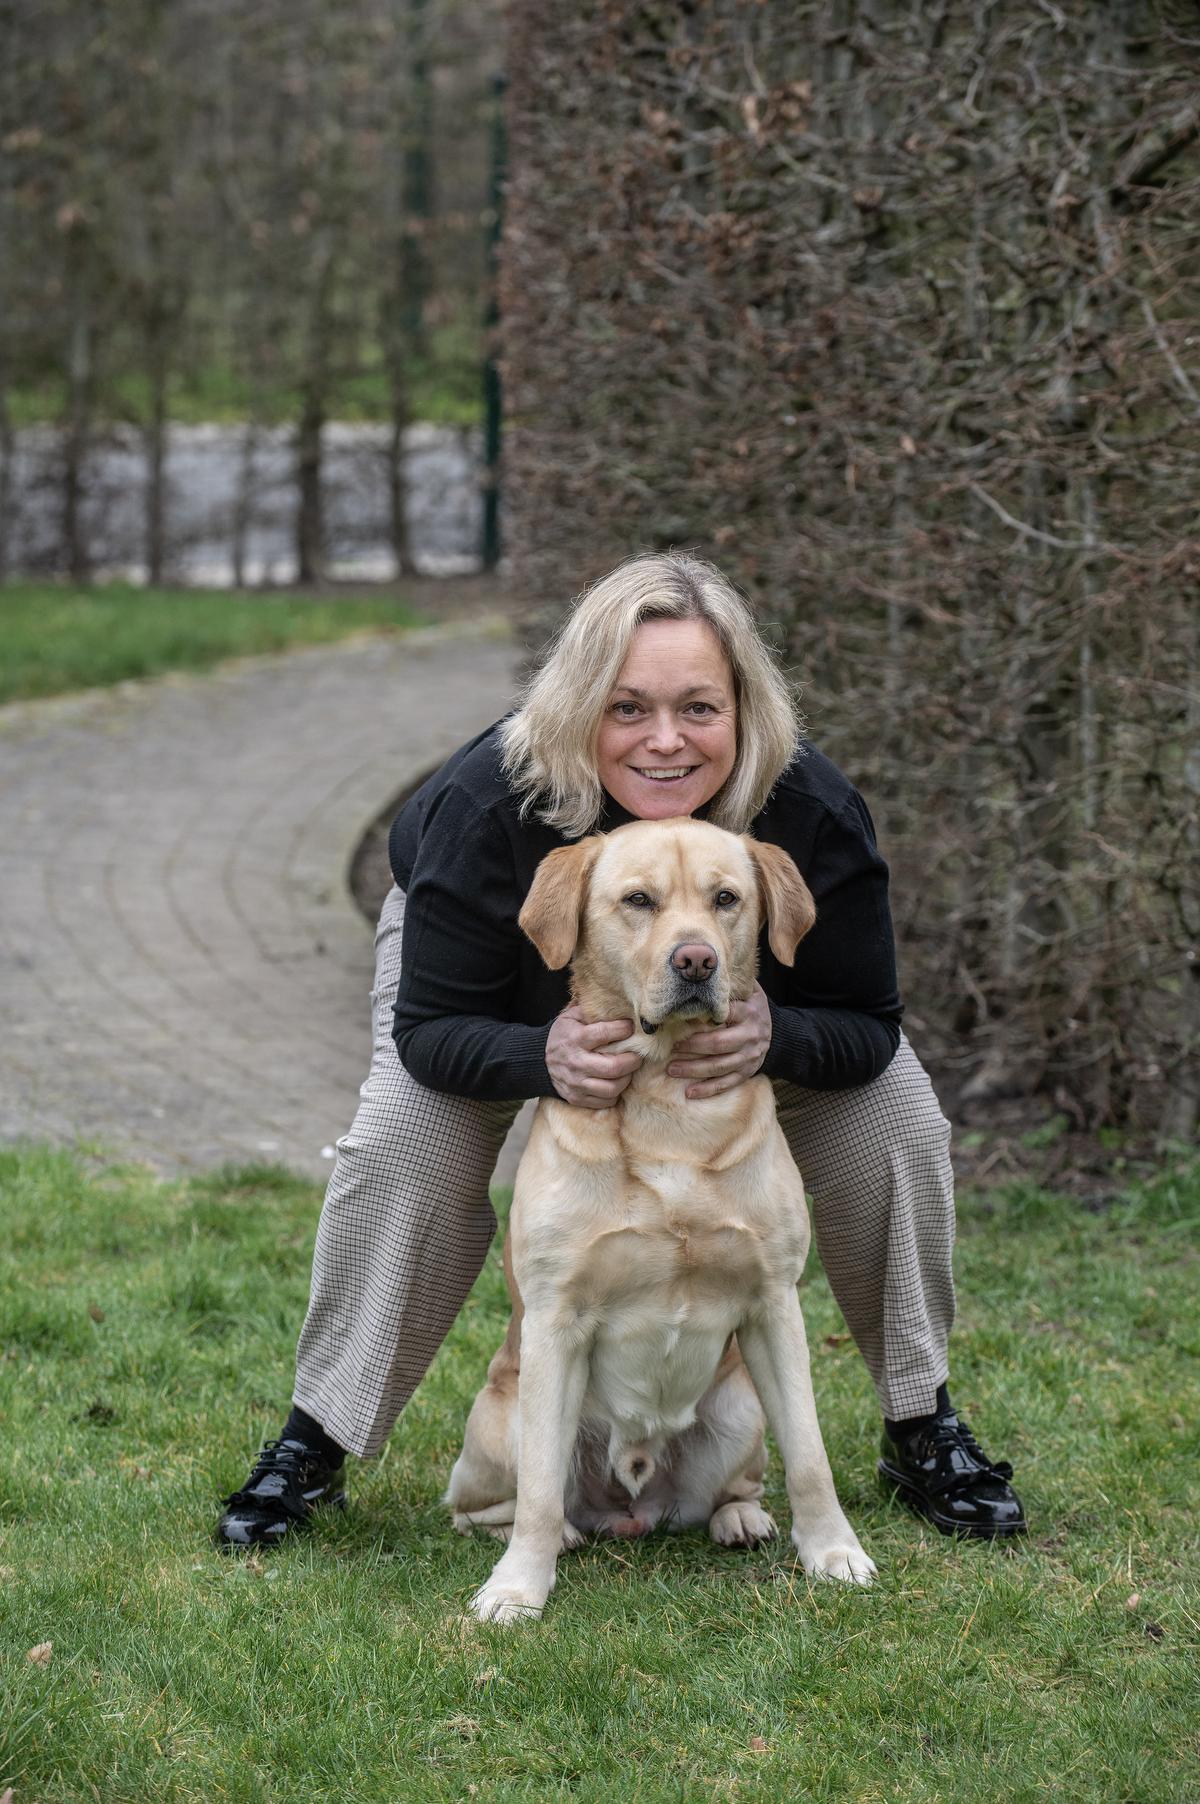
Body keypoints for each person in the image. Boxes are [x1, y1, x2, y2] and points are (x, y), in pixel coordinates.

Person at [216, 552, 1025, 1550]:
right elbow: (429, 1030)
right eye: (628, 707)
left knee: (896, 1118)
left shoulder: (809, 810)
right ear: (578, 706)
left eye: (699, 707)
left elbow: (867, 1018)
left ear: (746, 709)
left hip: (733, 998)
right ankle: (316, 1441)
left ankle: (920, 1421)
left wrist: (785, 1033)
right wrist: (540, 1056)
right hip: (495, 989)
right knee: (404, 1145)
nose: (665, 739)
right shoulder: (488, 804)